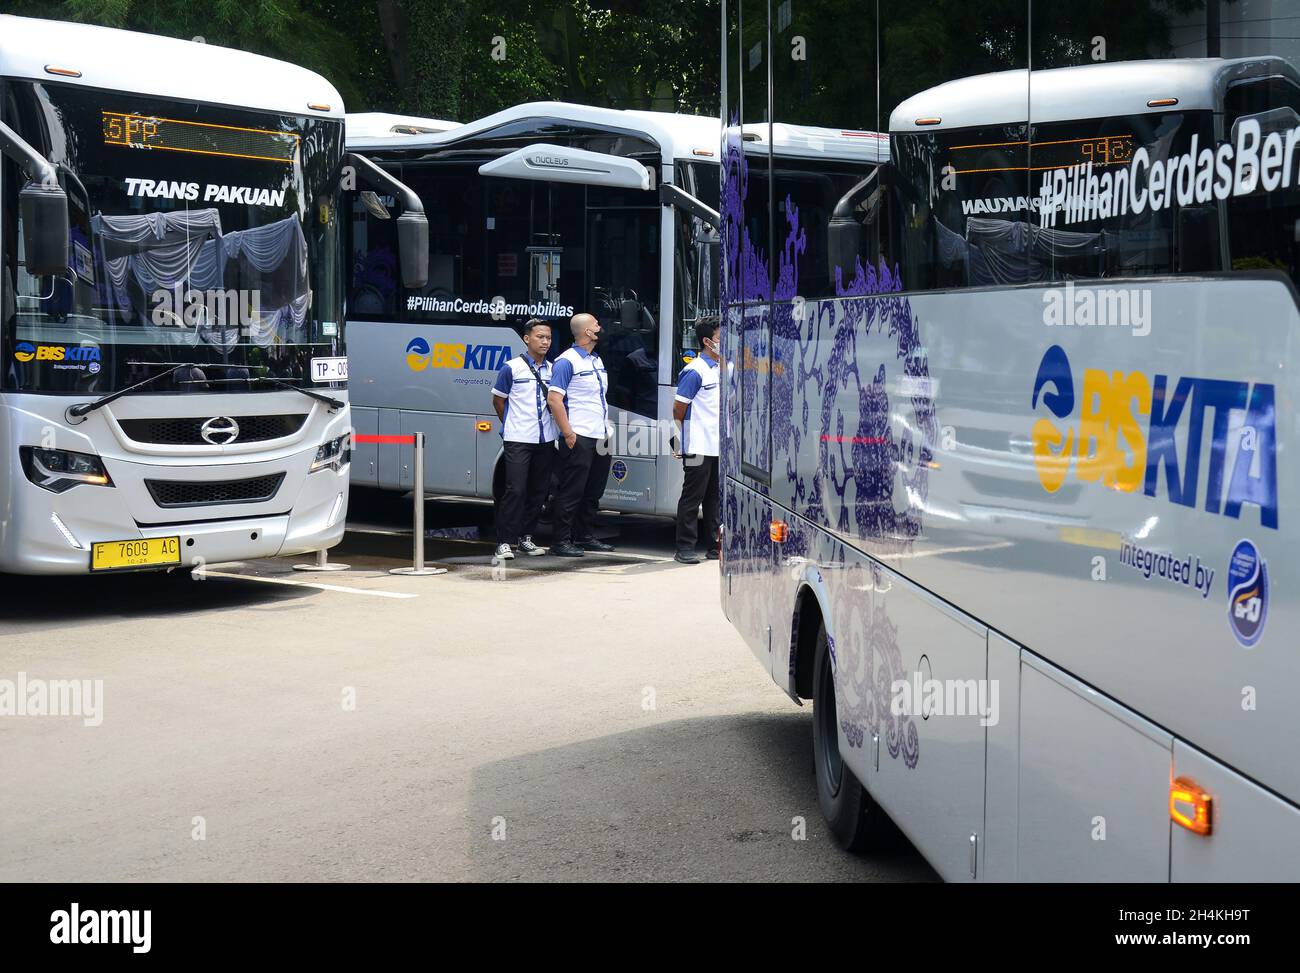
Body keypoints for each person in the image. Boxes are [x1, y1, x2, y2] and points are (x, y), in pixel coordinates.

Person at [546, 312, 616, 558]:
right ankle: (561, 540)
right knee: (571, 490)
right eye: (597, 324)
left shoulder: (595, 359)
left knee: (593, 490)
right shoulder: (567, 361)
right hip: (579, 435)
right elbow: (554, 399)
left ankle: (584, 535)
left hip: (600, 434)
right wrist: (568, 433)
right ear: (587, 332)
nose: (601, 327)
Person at [490, 319, 558, 560]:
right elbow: (499, 401)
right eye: (540, 337)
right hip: (518, 438)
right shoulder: (512, 368)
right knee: (515, 490)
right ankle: (504, 542)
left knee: (539, 491)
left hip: (546, 439)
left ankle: (526, 538)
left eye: (548, 337)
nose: (545, 342)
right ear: (526, 338)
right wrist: (511, 424)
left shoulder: (552, 370)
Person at [672, 317, 722, 564]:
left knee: (715, 498)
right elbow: (678, 410)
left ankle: (715, 546)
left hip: (719, 446)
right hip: (697, 446)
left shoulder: (725, 368)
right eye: (721, 337)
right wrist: (681, 440)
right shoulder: (694, 371)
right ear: (707, 341)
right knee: (693, 498)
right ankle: (684, 547)